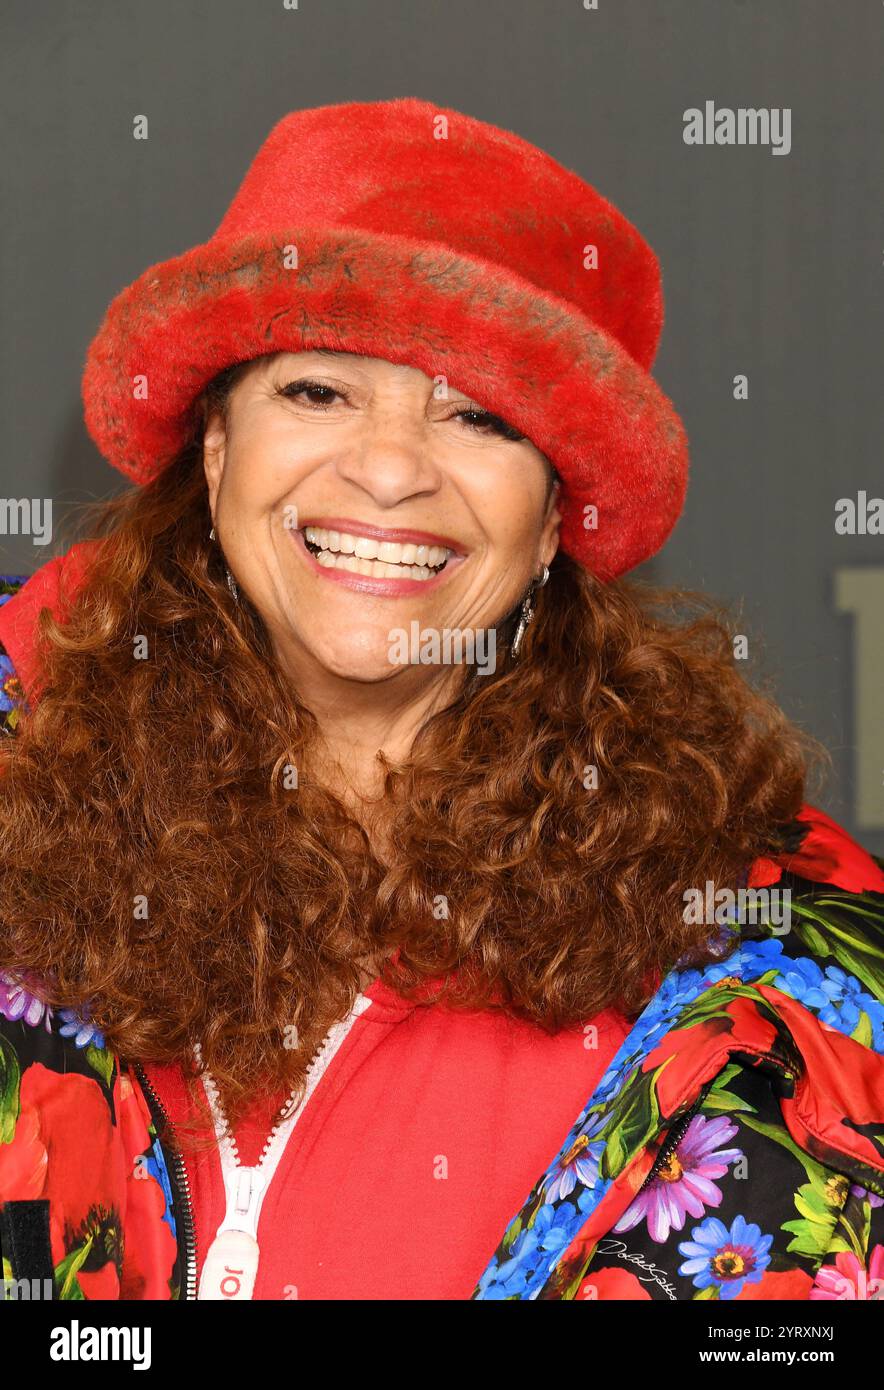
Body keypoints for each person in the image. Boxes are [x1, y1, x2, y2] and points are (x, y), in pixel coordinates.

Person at [0, 97, 882, 1303]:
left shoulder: (776, 973)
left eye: (478, 415)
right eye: (317, 391)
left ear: (553, 522)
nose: (389, 466)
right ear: (215, 450)